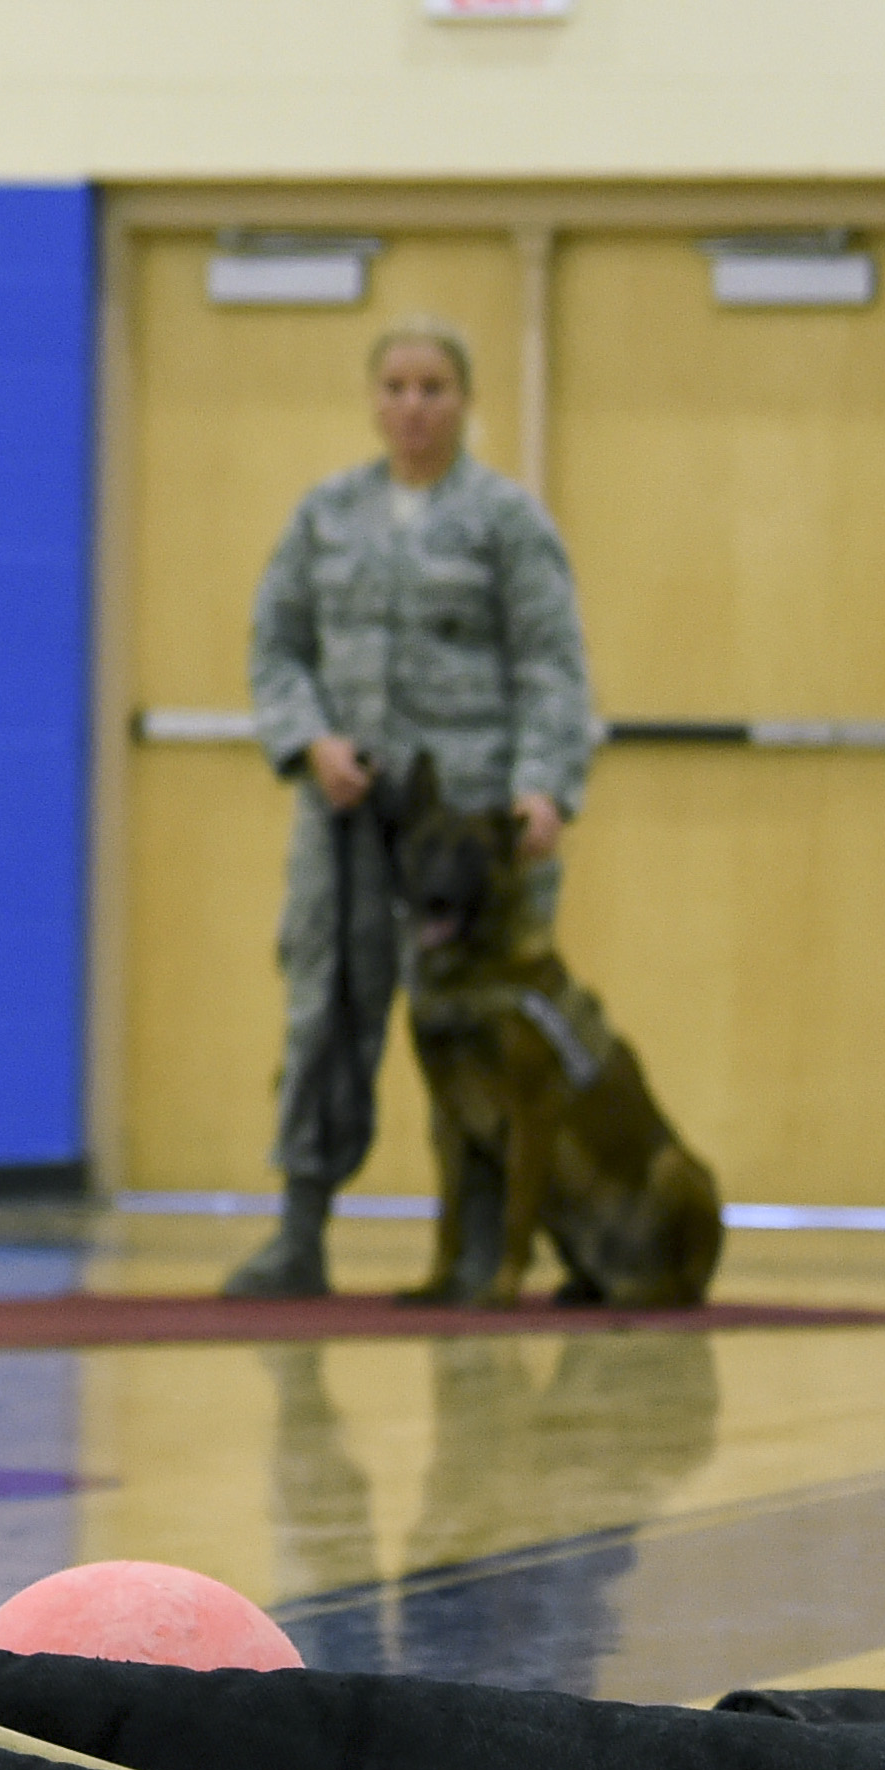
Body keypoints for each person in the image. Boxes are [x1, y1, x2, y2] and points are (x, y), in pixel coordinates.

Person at [223, 319, 595, 1301]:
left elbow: (552, 664)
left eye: (431, 386)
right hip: (349, 823)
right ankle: (298, 1232)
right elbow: (276, 648)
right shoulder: (325, 517)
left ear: (463, 401)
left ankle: (477, 1252)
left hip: (467, 837)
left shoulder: (503, 522)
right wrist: (309, 740)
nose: (412, 405)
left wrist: (542, 786)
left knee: (477, 1039)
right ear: (372, 399)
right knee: (322, 1014)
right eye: (393, 385)